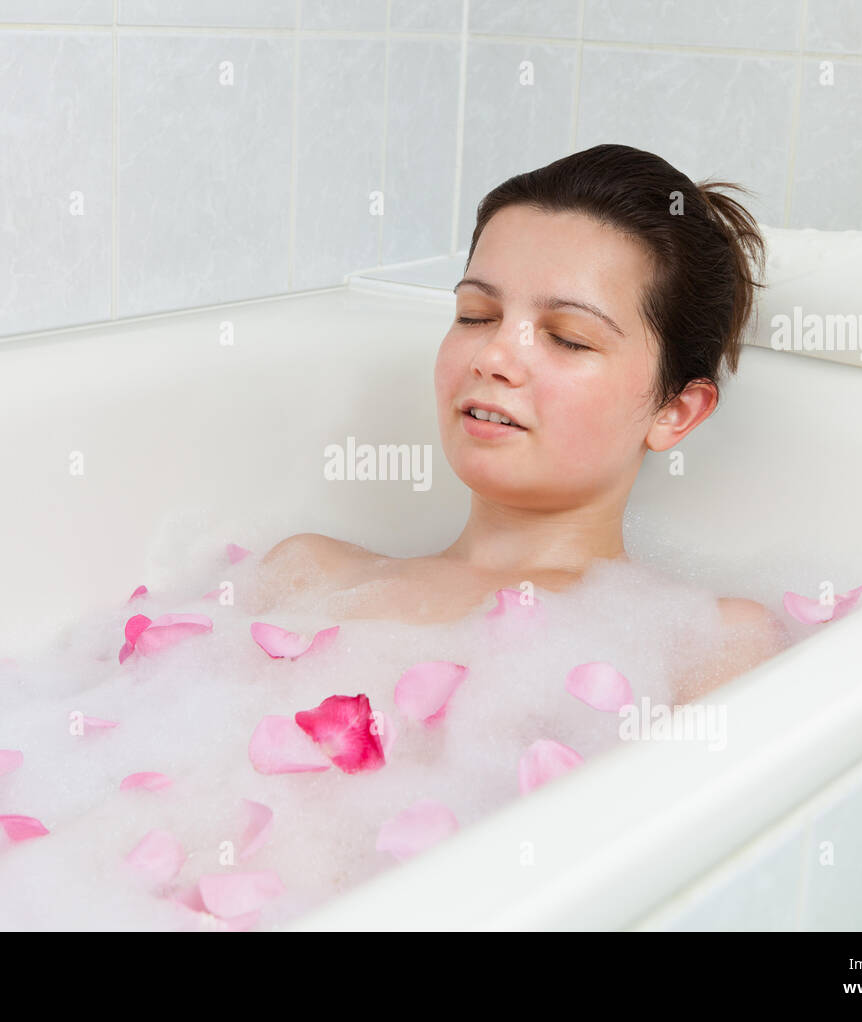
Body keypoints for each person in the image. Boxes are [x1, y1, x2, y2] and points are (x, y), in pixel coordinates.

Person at [255, 143, 791, 701]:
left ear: (674, 412)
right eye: (476, 315)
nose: (492, 356)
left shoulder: (705, 643)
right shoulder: (305, 575)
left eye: (568, 337)